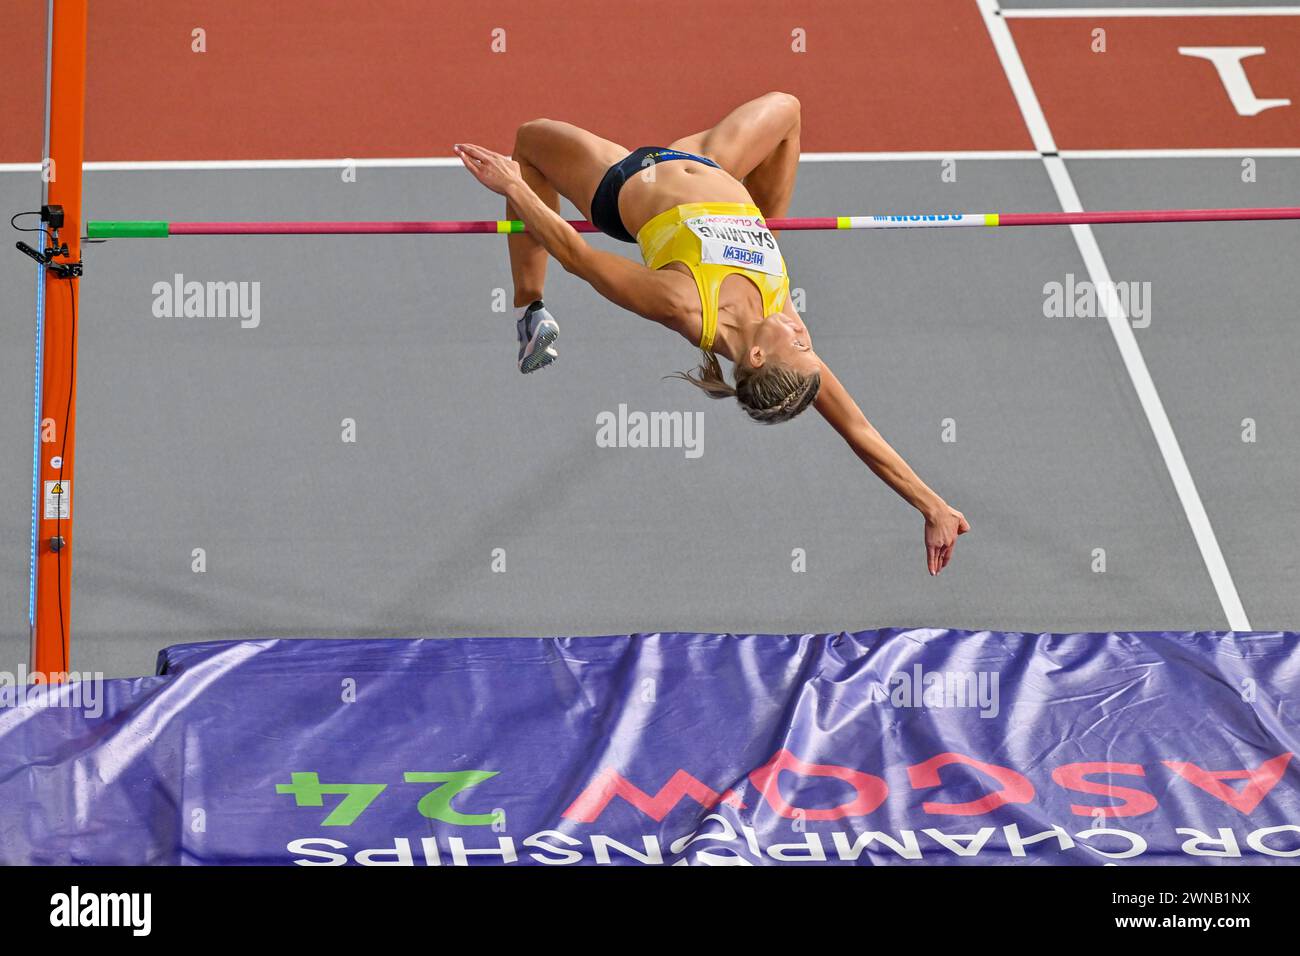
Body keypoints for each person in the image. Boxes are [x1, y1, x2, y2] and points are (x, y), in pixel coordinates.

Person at [454, 92, 969, 575]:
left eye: (801, 345)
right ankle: (769, 223)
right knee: (787, 109)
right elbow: (860, 430)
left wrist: (513, 185)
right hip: (715, 168)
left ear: (761, 356)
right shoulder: (781, 317)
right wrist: (934, 506)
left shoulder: (684, 306)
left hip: (629, 180)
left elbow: (578, 256)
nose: (804, 333)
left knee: (529, 141)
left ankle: (529, 310)